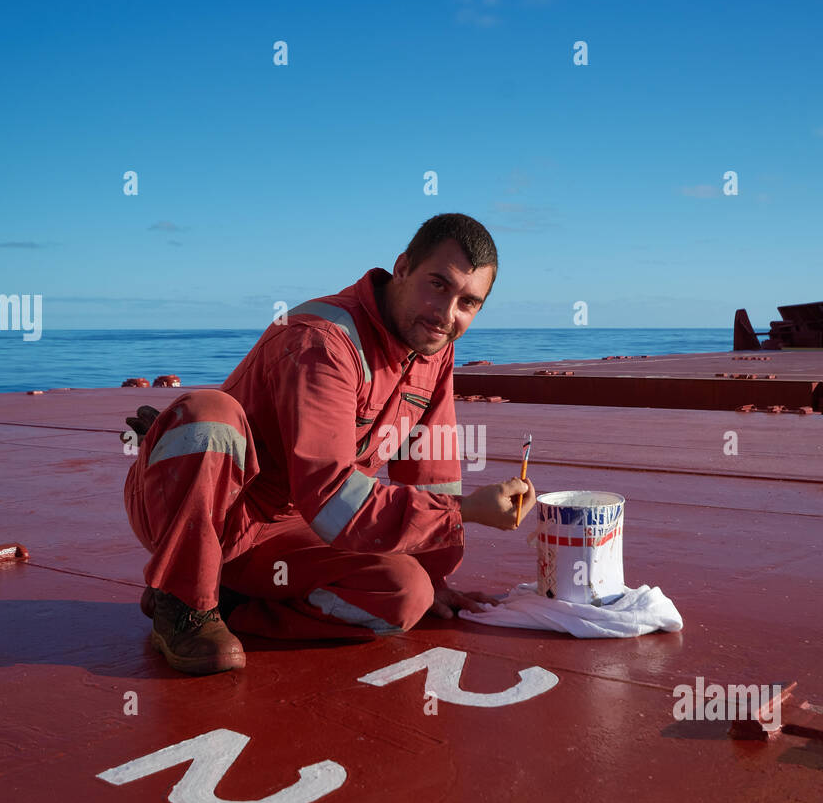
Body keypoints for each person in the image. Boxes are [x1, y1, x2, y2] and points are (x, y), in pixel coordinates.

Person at [123, 213, 537, 674]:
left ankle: (230, 600)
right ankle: (184, 601)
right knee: (209, 415)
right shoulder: (323, 340)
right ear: (401, 267)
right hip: (208, 511)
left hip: (292, 526)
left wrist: (434, 577)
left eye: (468, 302)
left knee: (407, 595)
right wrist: (466, 511)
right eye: (437, 285)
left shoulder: (432, 346)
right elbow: (332, 499)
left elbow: (429, 466)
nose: (446, 314)